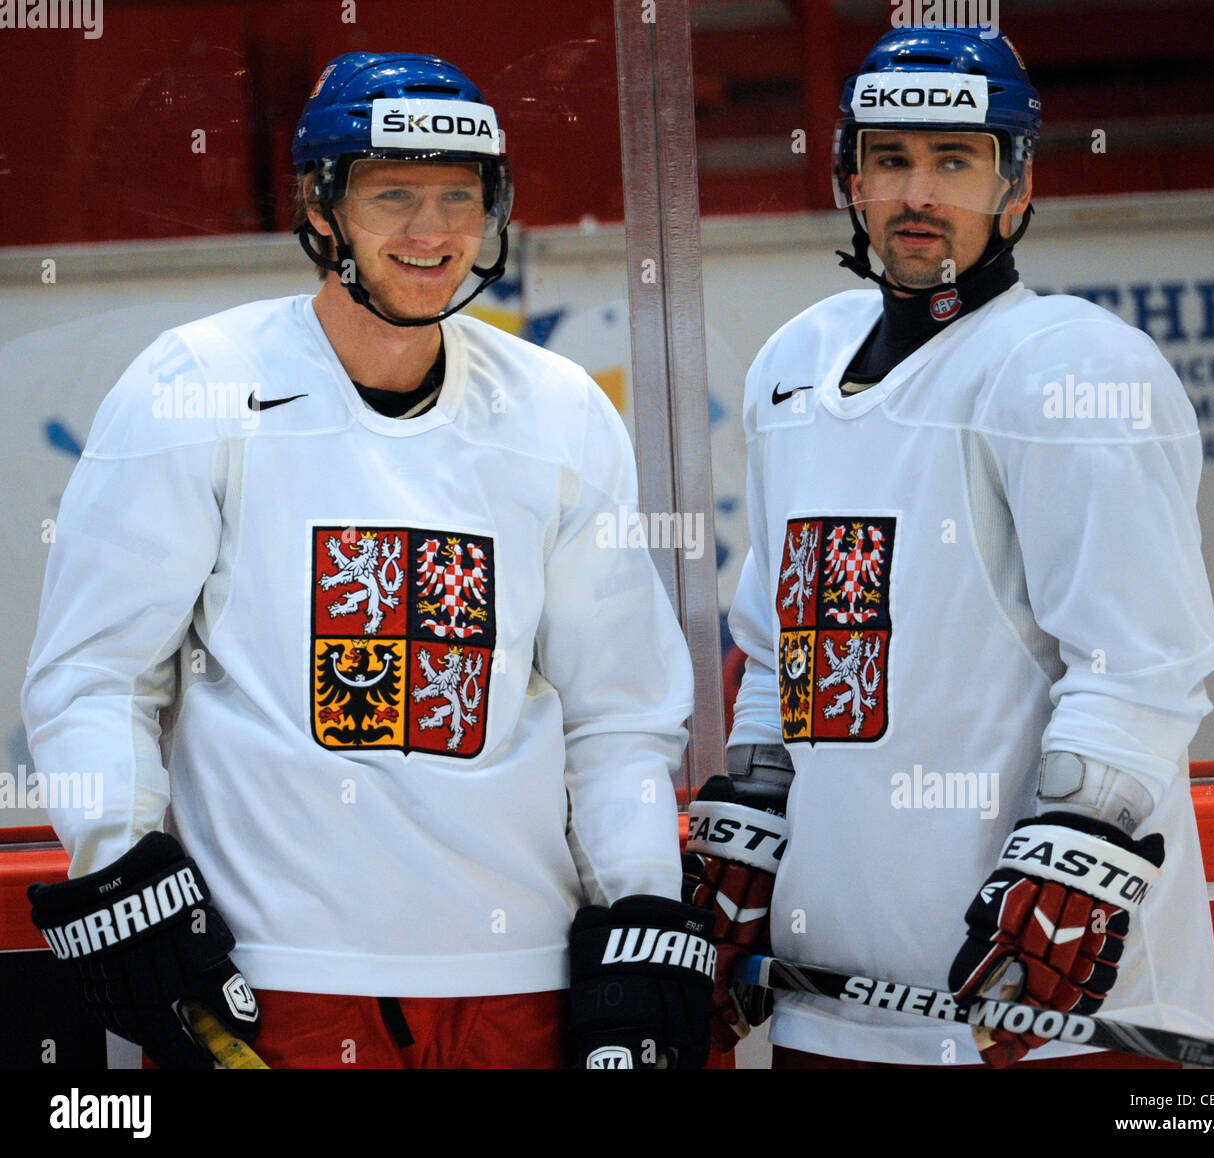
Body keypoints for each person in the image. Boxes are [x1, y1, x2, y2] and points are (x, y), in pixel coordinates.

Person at [23, 51, 714, 1070]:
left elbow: (618, 713)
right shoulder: (198, 383)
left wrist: (643, 908)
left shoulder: (560, 408)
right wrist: (118, 865)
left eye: (456, 196)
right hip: (278, 979)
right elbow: (94, 675)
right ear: (323, 207)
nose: (430, 232)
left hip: (519, 979)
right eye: (392, 196)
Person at [685, 25, 1214, 1068]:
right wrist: (748, 830)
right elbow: (779, 650)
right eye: (890, 160)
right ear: (850, 177)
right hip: (828, 1000)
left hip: (1043, 1022)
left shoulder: (1069, 367)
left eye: (955, 161)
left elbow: (1140, 668)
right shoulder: (794, 363)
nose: (918, 192)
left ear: (1016, 187)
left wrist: (1070, 865)